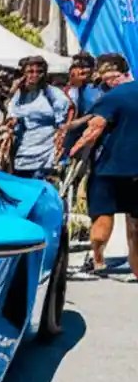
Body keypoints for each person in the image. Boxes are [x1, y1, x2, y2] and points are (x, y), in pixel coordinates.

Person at [70, 54, 138, 279]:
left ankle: (98, 261)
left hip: (109, 166)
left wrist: (73, 151)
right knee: (135, 222)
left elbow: (94, 129)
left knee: (102, 214)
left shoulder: (112, 97)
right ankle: (136, 269)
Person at [8, 55, 70, 180]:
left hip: (46, 150)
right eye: (30, 72)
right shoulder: (19, 95)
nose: (35, 75)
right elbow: (12, 116)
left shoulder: (54, 94)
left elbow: (63, 122)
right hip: (24, 150)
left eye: (39, 72)